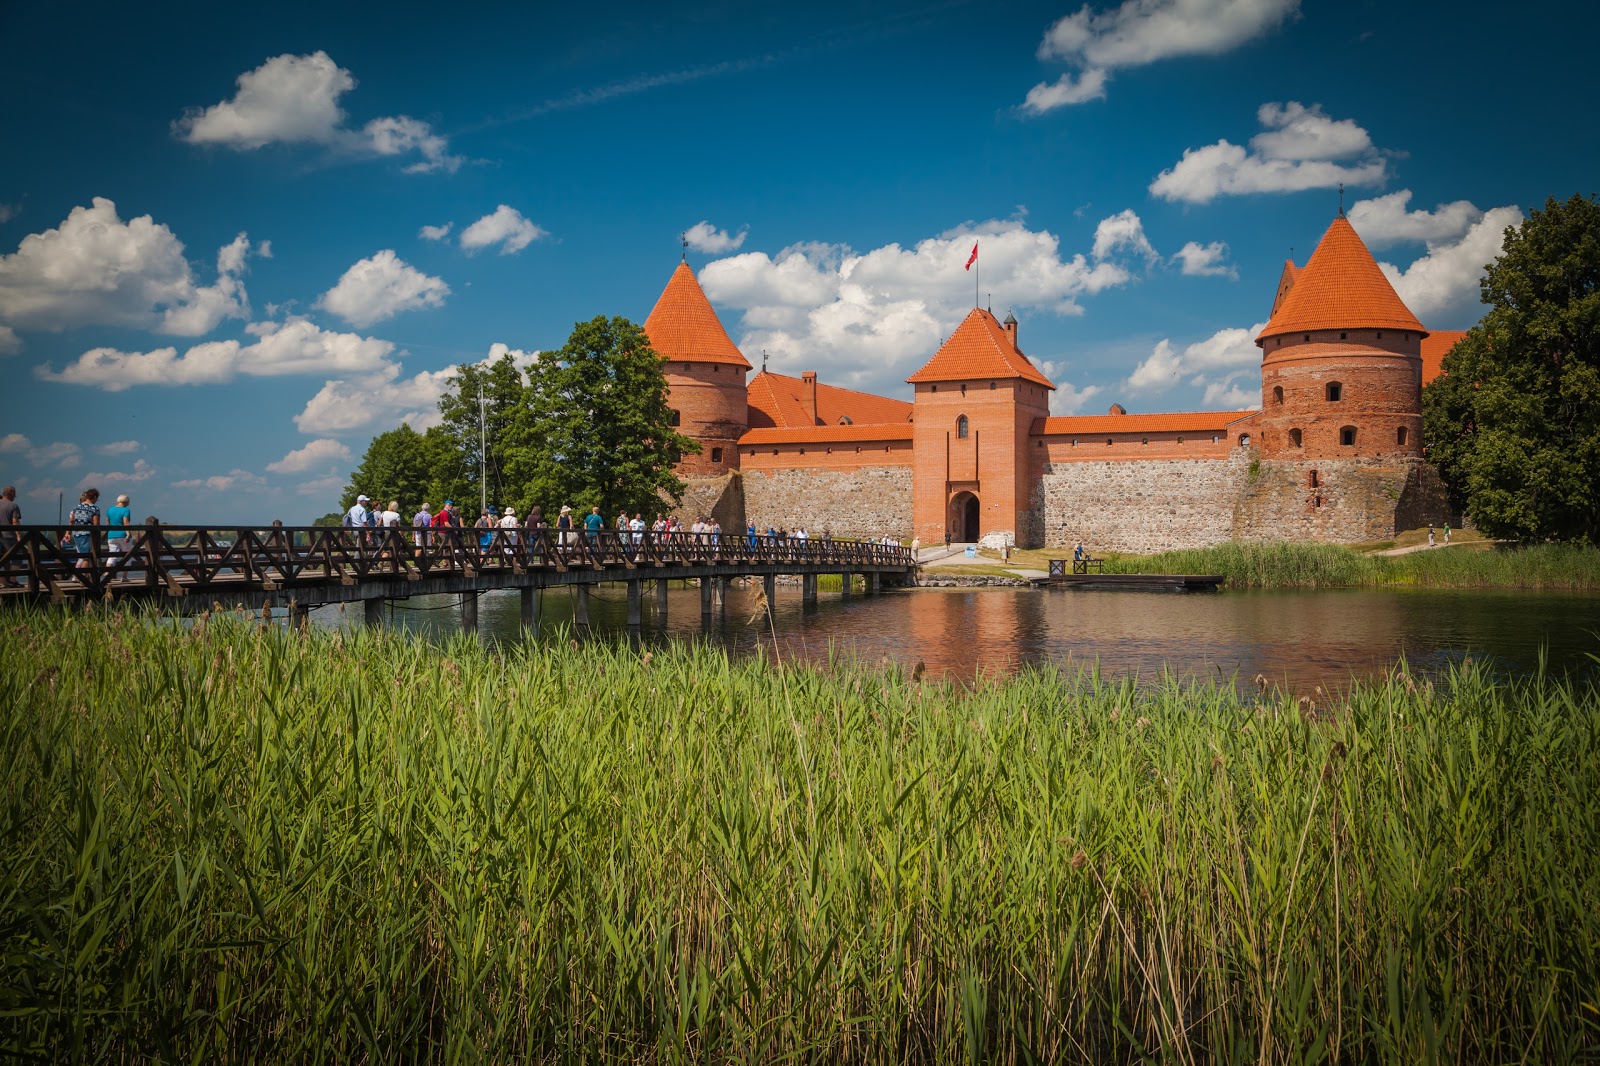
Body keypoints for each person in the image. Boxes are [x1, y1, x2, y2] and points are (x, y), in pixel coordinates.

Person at [69, 488, 101, 569]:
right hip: (87, 533)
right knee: (87, 557)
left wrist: (68, 532)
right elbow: (96, 523)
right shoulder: (94, 508)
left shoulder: (77, 507)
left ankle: (83, 577)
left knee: (82, 555)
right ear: (94, 497)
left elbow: (72, 520)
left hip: (76, 533)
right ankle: (84, 578)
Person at [106, 493, 132, 580]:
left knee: (112, 555)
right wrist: (128, 534)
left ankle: (107, 575)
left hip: (111, 535)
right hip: (122, 535)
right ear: (127, 502)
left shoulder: (110, 509)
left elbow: (107, 523)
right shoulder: (126, 510)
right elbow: (126, 523)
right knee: (127, 555)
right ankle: (124, 577)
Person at [0, 486, 20, 588]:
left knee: (2, 559)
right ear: (11, 494)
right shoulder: (13, 505)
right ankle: (12, 581)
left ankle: (4, 582)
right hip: (9, 536)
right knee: (17, 558)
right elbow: (15, 522)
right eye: (14, 494)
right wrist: (19, 535)